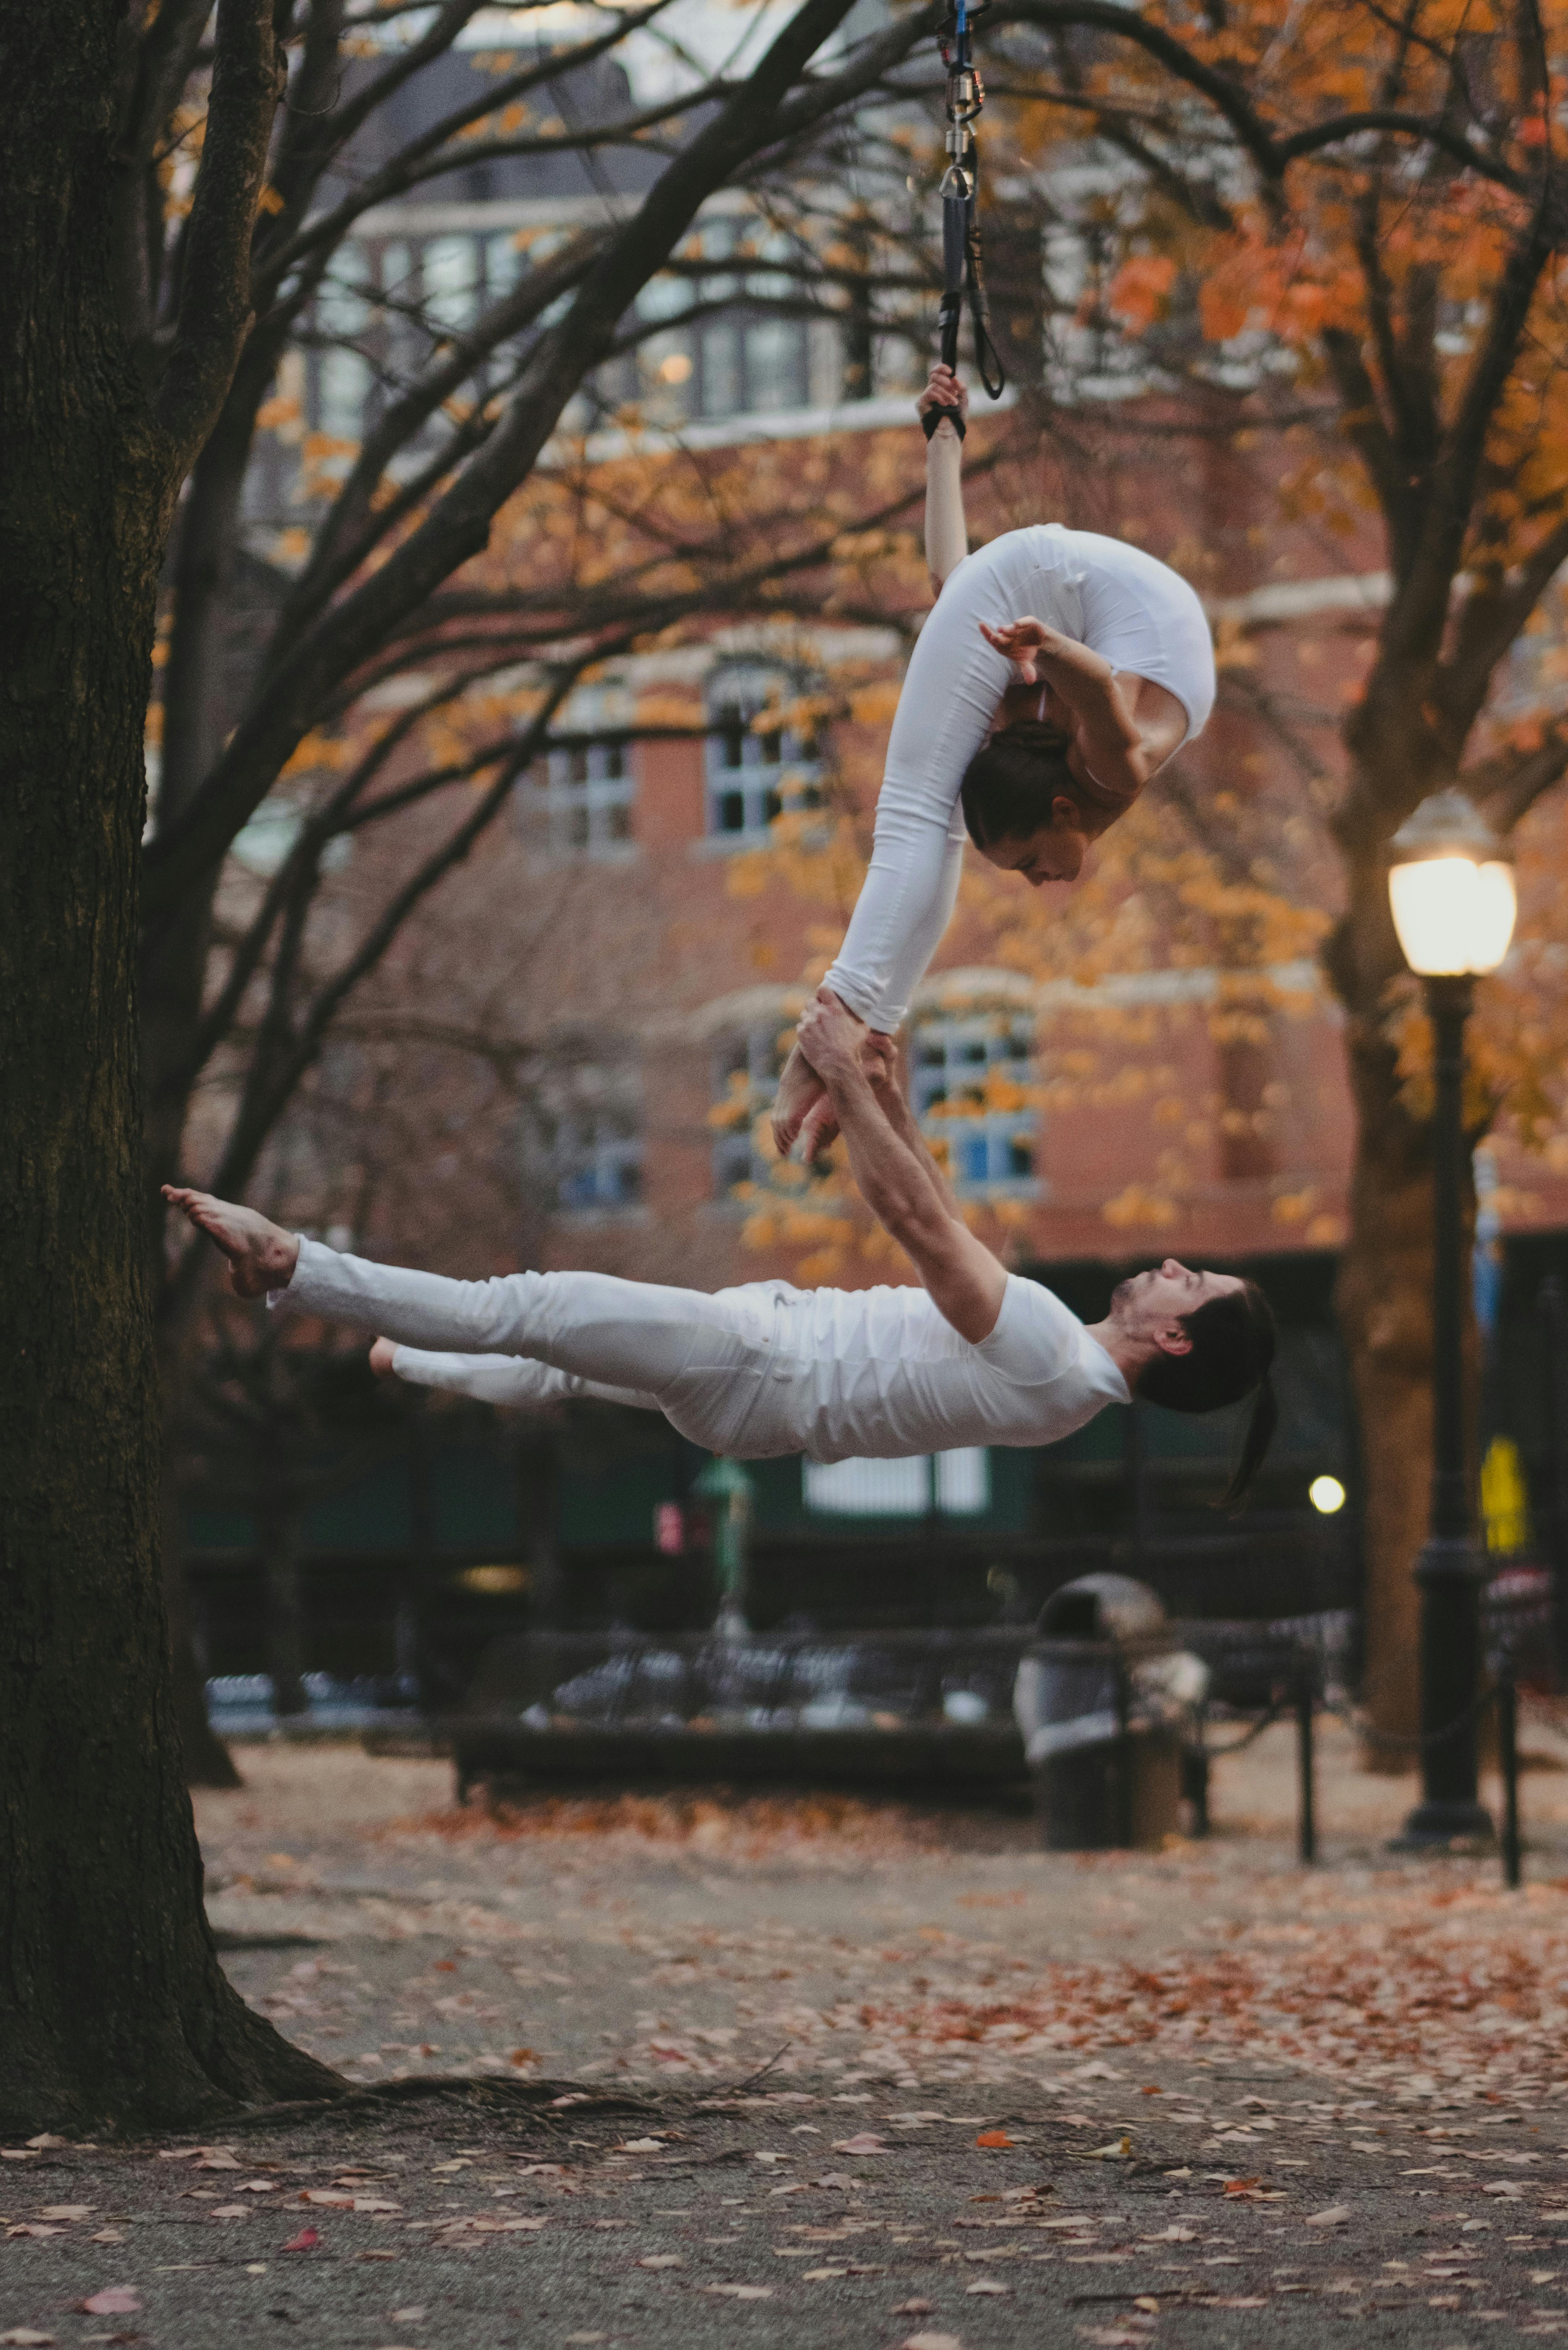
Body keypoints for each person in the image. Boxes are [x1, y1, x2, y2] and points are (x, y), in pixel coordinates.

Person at [162, 997, 1277, 1500]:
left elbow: (920, 1225)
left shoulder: (1052, 1353)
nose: (1175, 1267)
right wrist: (888, 1100)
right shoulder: (1061, 1376)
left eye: (1195, 1283)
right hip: (760, 1400)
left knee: (531, 1307)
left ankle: (292, 1265)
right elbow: (946, 1222)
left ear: (1176, 1340)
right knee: (557, 1365)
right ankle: (406, 1357)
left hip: (760, 1366)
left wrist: (842, 1074)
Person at [771, 364, 1217, 1163]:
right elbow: (964, 598)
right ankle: (870, 1028)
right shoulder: (1058, 732)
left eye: (1029, 864)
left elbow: (1082, 674)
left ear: (1060, 811)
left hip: (1057, 584)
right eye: (1029, 872)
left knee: (917, 813)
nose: (1040, 883)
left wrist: (1048, 643)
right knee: (932, 818)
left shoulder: (1094, 760)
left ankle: (834, 1031)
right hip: (1082, 592)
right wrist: (945, 443)